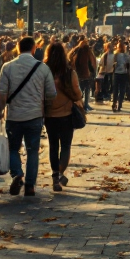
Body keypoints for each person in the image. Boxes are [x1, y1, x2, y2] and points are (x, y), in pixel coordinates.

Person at [0, 37, 56, 197]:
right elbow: (51, 93)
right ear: (34, 49)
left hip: (14, 116)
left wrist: (0, 110)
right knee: (32, 151)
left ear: (17, 48)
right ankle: (30, 186)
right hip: (35, 115)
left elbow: (1, 92)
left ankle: (17, 173)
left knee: (13, 148)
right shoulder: (42, 68)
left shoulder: (7, 67)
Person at [43, 42, 83, 193]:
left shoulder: (43, 71)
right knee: (65, 145)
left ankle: (54, 176)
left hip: (49, 114)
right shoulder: (69, 72)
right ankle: (60, 173)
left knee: (53, 145)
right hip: (66, 113)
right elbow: (78, 94)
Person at [112, 41, 130, 112]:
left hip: (116, 73)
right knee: (122, 90)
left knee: (115, 89)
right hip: (124, 73)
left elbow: (113, 64)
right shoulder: (126, 55)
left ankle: (114, 103)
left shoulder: (115, 55)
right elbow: (129, 66)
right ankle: (119, 104)